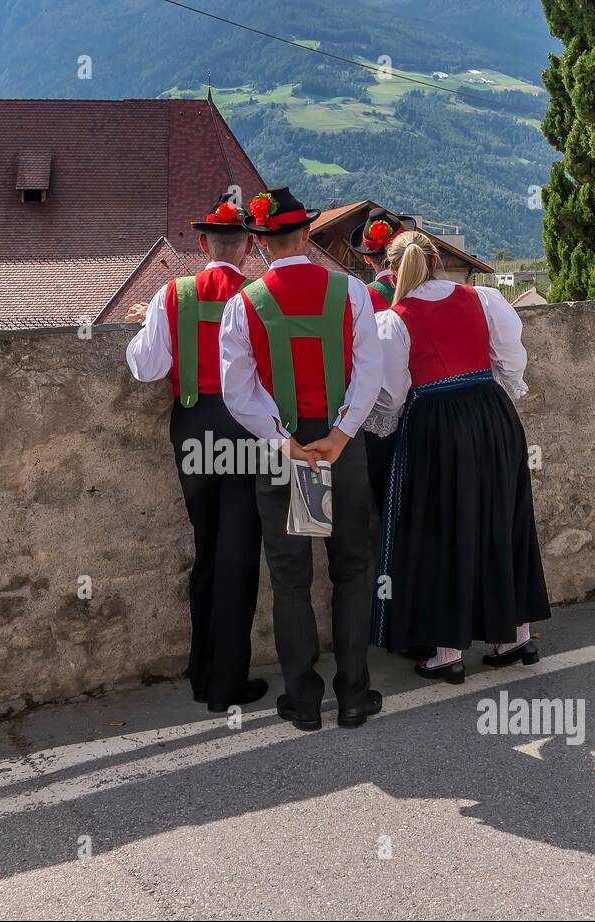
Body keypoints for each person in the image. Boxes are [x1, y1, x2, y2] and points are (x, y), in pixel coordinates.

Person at [218, 186, 385, 731]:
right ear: (307, 234)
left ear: (259, 242)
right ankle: (355, 694)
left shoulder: (243, 305)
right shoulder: (353, 292)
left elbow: (237, 390)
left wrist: (283, 441)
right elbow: (369, 374)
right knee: (353, 569)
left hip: (283, 450)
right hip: (343, 447)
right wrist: (339, 435)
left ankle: (303, 700)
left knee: (290, 577)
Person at [370, 231, 551, 683]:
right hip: (492, 414)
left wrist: (382, 425)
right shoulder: (485, 299)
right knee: (501, 518)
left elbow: (390, 395)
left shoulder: (395, 319)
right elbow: (510, 361)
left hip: (435, 424)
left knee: (440, 528)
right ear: (439, 261)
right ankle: (514, 636)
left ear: (393, 271)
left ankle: (447, 650)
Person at [125, 194, 266, 713]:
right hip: (247, 429)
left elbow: (145, 367)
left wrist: (149, 321)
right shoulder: (260, 296)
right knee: (239, 555)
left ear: (203, 244)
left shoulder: (173, 293)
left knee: (206, 549)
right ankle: (228, 682)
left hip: (194, 427)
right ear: (249, 247)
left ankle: (200, 671)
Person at [350, 207, 417, 515]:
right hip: (428, 409)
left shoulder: (362, 298)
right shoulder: (422, 291)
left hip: (380, 417)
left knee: (385, 503)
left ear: (367, 258)